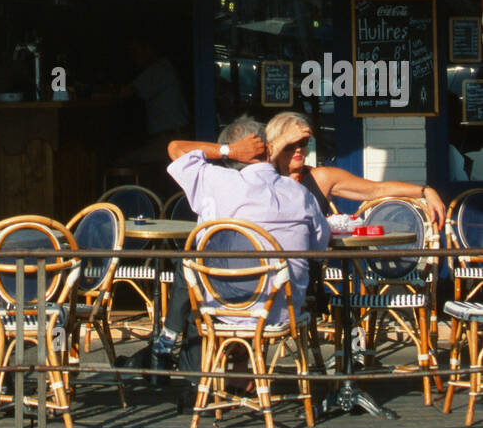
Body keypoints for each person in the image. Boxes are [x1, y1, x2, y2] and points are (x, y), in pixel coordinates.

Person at [150, 116, 329, 371]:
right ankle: (236, 373)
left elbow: (175, 149)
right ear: (268, 150)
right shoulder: (299, 192)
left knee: (194, 272)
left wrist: (229, 151)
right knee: (197, 269)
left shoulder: (218, 182)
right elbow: (318, 249)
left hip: (226, 309)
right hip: (282, 311)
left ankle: (189, 373)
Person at [264, 111, 446, 230]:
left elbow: (377, 189)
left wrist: (424, 191)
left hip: (305, 266)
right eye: (290, 145)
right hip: (267, 263)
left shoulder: (320, 177)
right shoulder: (261, 177)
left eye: (302, 143)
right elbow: (250, 168)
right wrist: (283, 139)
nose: (298, 149)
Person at [117, 38, 191, 166]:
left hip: (169, 140)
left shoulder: (158, 70)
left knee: (123, 161)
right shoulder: (164, 67)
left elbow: (125, 92)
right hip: (173, 137)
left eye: (136, 52)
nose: (135, 58)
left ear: (148, 49)